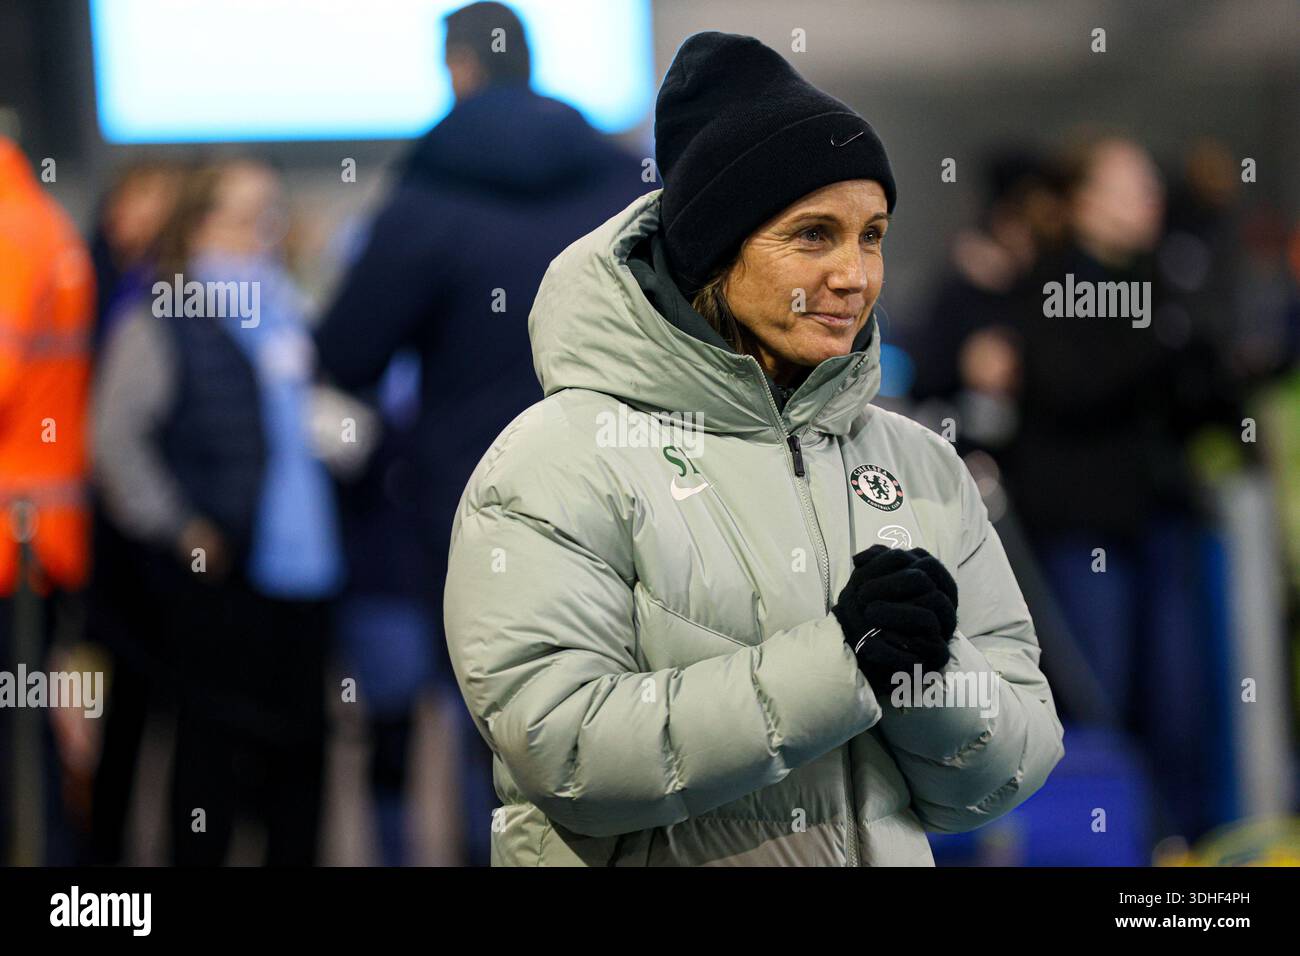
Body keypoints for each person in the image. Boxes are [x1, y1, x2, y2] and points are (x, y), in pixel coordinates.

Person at [443, 31, 1065, 866]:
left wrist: (925, 670)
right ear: (714, 250)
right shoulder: (556, 462)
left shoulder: (919, 464)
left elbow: (1008, 772)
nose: (855, 274)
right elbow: (568, 752)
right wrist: (839, 666)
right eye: (813, 235)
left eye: (871, 234)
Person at [314, 1, 645, 865]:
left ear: (459, 68)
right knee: (622, 706)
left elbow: (346, 354)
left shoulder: (427, 193)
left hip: (473, 503)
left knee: (489, 716)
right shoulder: (620, 185)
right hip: (625, 492)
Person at [93, 158, 342, 865]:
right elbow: (115, 442)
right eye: (244, 214)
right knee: (211, 763)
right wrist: (183, 528)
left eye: (270, 212)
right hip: (218, 576)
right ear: (201, 222)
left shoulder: (294, 305)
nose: (262, 230)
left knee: (301, 762)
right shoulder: (164, 315)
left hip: (306, 570)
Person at [0, 135, 95, 864]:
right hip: (36, 532)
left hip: (13, 541)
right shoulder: (37, 216)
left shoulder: (9, 232)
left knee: (20, 761)